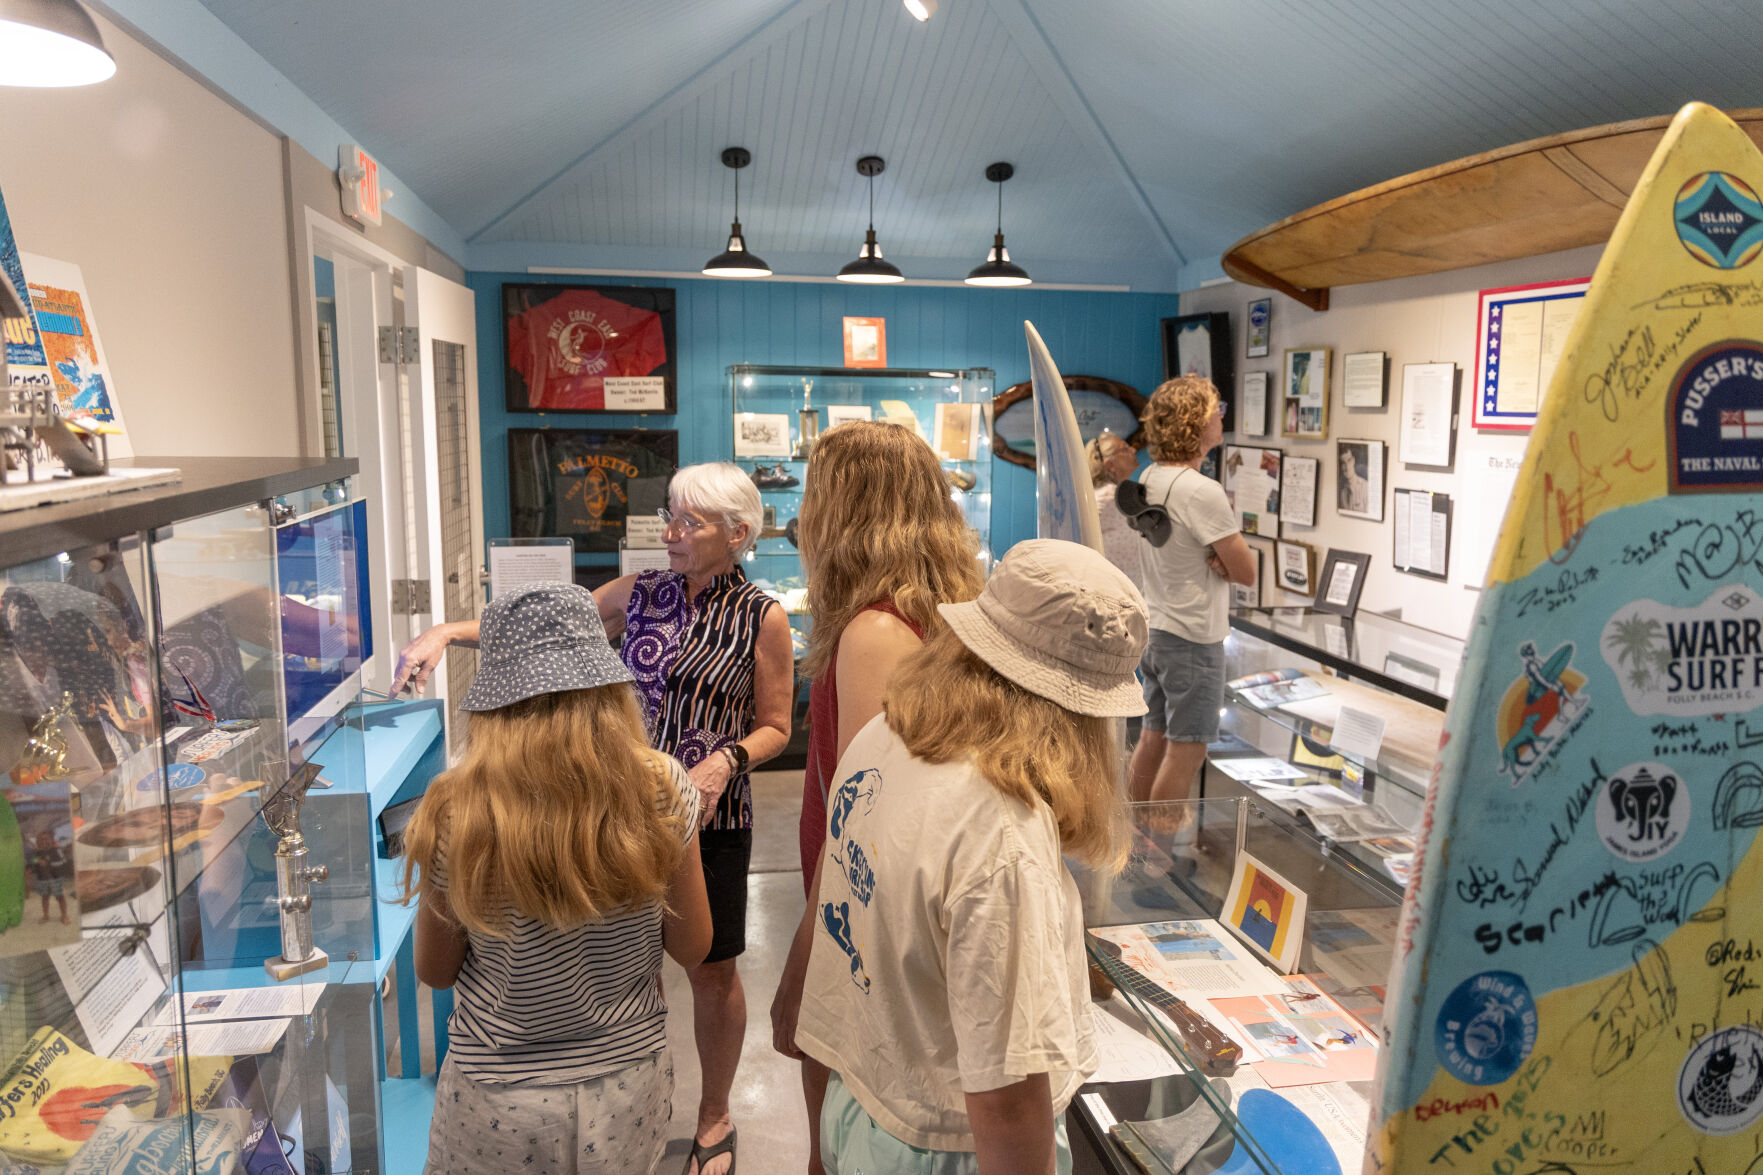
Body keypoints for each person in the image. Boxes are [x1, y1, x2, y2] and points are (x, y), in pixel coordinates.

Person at [393, 462, 793, 1175]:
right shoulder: (641, 592)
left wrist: (724, 761)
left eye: (689, 521)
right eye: (668, 516)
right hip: (606, 797)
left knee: (710, 969)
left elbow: (775, 724)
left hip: (698, 811)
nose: (670, 533)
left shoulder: (762, 615)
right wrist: (451, 631)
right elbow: (551, 634)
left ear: (737, 533)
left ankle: (715, 1112)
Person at [795, 539, 1149, 1174]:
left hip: (866, 1108)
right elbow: (1008, 1100)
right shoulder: (1001, 835)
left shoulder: (887, 732)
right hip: (947, 1148)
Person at [399, 581, 713, 1175]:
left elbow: (434, 971)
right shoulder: (662, 787)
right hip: (626, 1083)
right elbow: (694, 945)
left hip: (496, 1092)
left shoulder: (454, 809)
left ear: (494, 697)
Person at [767, 420, 985, 1174]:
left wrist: (803, 962)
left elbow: (864, 822)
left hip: (856, 921)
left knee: (841, 1116)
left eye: (813, 496)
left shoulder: (874, 630)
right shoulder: (936, 607)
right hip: (894, 914)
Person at [1125, 376, 1257, 804]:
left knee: (1152, 739)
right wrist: (1223, 562)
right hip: (1194, 636)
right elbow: (1246, 571)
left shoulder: (1152, 476)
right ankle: (1160, 849)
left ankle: (1132, 850)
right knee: (1188, 750)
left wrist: (1221, 560)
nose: (1221, 418)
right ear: (1195, 423)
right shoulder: (1203, 492)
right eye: (1215, 411)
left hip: (1158, 628)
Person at [1086, 429, 1143, 589]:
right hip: (1113, 590)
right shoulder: (1109, 497)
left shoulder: (1109, 494)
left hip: (1119, 588)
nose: (1133, 450)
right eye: (1125, 448)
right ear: (1110, 465)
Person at [1338, 445, 1370, 514]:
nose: (1347, 466)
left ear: (1353, 461)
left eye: (1349, 461)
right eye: (1343, 463)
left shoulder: (1366, 486)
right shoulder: (1341, 491)